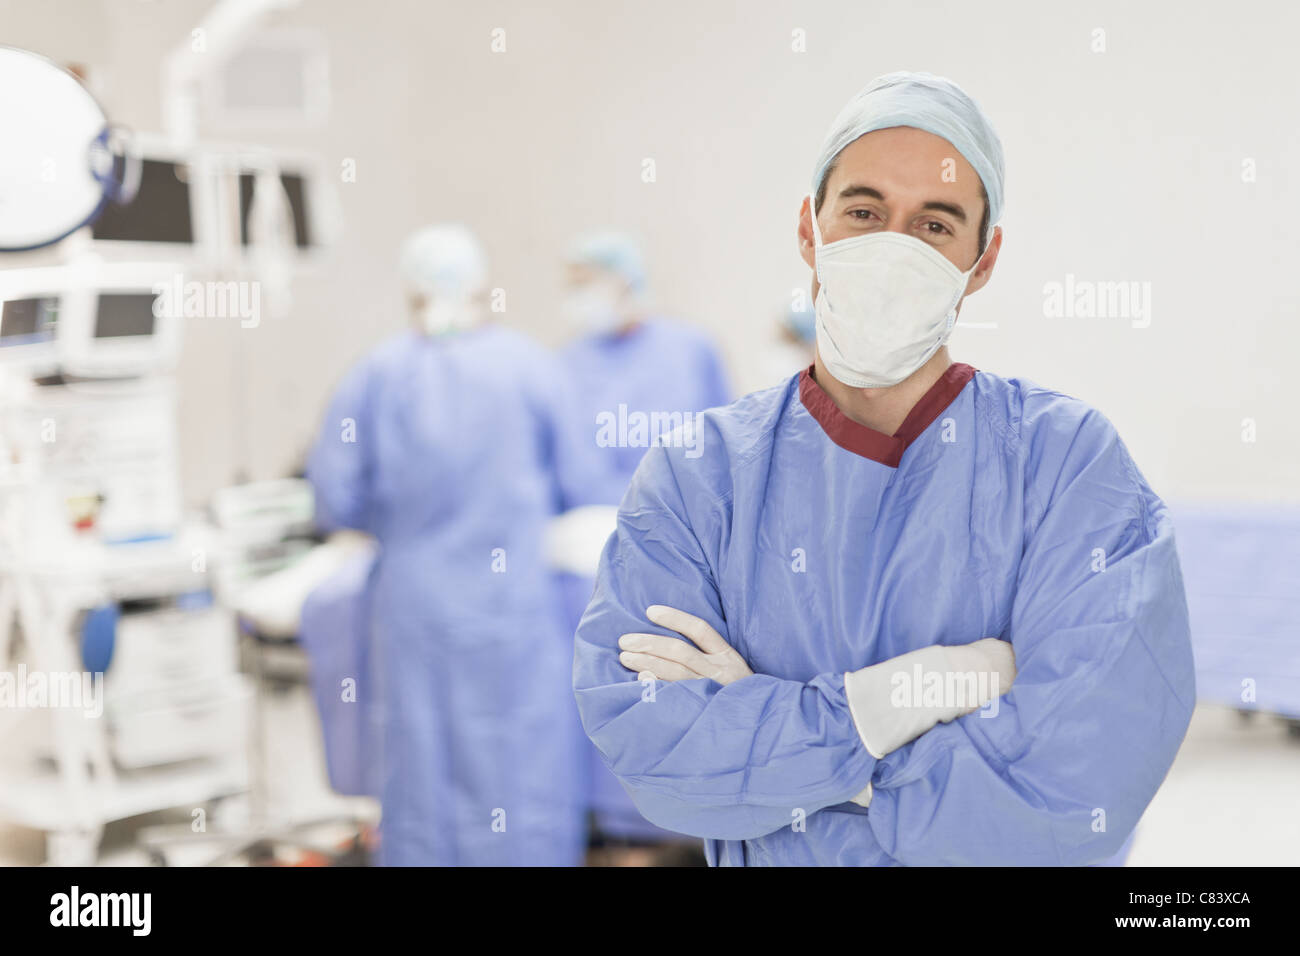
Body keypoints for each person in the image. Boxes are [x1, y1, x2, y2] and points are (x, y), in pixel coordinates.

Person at [573, 72, 1196, 866]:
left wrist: (783, 750)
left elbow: (1078, 786)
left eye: (935, 224)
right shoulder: (702, 474)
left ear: (983, 258)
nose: (894, 248)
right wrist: (895, 699)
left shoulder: (1067, 465)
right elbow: (655, 753)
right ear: (810, 228)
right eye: (864, 213)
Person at [307, 224, 593, 866]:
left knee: (421, 760)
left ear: (411, 293)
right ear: (483, 287)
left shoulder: (377, 374)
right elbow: (580, 481)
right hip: (511, 604)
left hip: (417, 609)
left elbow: (335, 498)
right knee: (520, 760)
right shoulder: (529, 367)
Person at [555, 231, 730, 862]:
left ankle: (675, 824)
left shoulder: (688, 351)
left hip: (680, 545)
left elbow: (726, 450)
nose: (579, 297)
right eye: (571, 284)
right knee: (597, 679)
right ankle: (611, 826)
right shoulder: (566, 365)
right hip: (588, 552)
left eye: (587, 281)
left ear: (626, 279)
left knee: (673, 679)